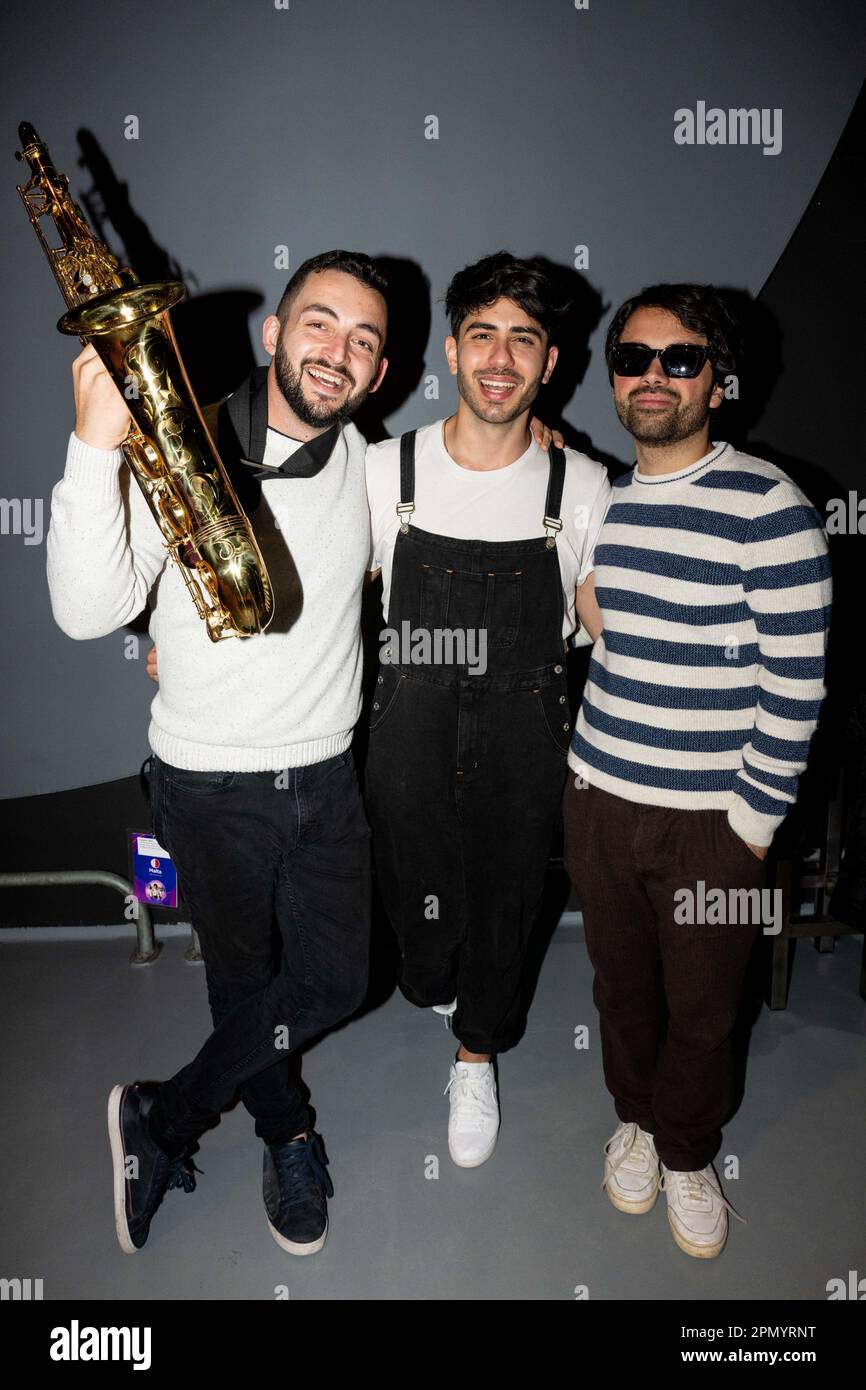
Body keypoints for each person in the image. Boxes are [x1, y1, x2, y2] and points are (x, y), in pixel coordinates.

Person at [47, 250, 390, 1256]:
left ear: (378, 371)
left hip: (326, 777)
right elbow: (86, 610)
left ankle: (165, 1115)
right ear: (273, 334)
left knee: (333, 980)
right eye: (319, 323)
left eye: (363, 340)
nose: (339, 351)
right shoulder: (179, 446)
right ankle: (286, 1132)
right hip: (205, 785)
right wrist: (92, 446)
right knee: (243, 982)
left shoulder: (379, 469)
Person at [561, 284, 831, 1257]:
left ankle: (684, 1148)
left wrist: (745, 832)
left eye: (678, 360)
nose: (650, 377)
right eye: (631, 358)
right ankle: (634, 1117)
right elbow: (587, 628)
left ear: (716, 382)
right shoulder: (599, 506)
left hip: (709, 827)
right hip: (596, 803)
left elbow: (795, 691)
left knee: (708, 1007)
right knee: (619, 990)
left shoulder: (769, 507)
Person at [364, 252, 610, 1167]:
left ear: (550, 363)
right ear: (452, 350)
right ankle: (440, 981)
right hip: (411, 719)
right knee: (420, 920)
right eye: (484, 336)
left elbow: (604, 619)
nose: (501, 360)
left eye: (525, 340)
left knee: (507, 896)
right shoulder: (386, 471)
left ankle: (478, 1052)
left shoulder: (581, 488)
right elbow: (314, 587)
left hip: (522, 726)